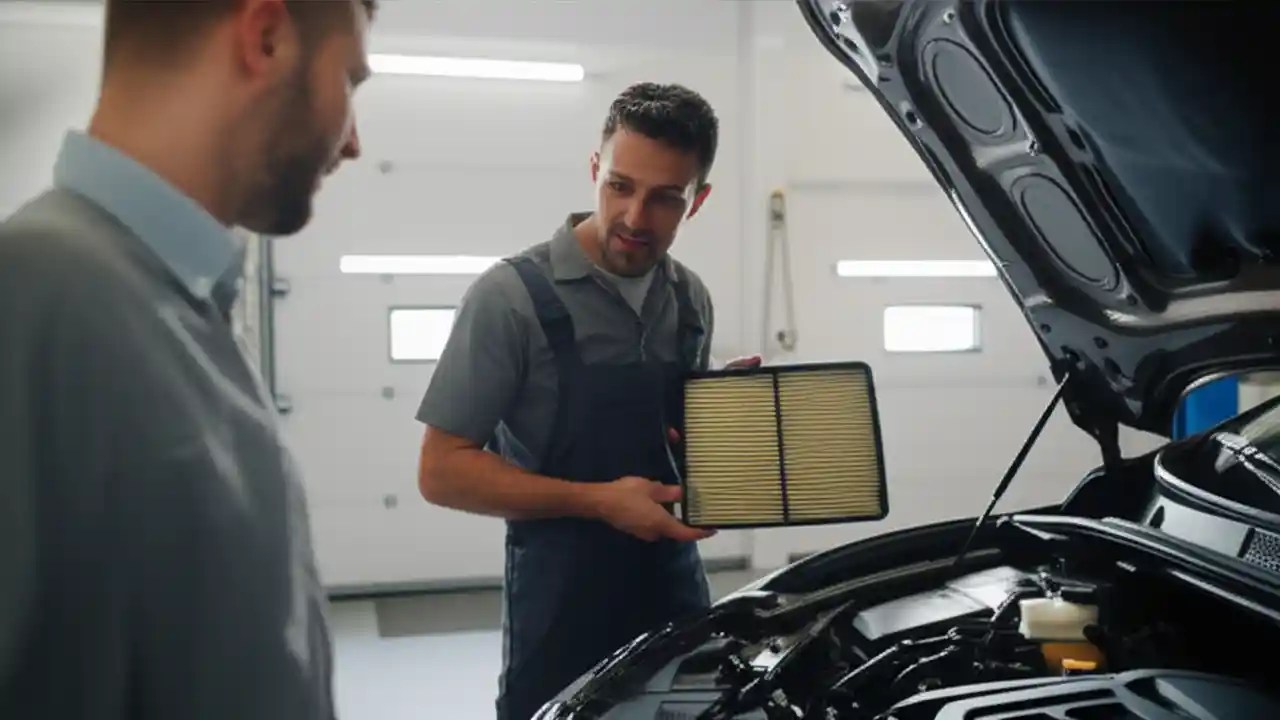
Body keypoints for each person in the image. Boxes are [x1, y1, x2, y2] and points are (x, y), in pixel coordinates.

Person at [0, 0, 376, 717]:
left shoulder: (174, 302)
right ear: (265, 37)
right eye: (349, 81)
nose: (353, 140)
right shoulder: (33, 302)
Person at [415, 81, 761, 720]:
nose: (635, 217)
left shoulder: (690, 299)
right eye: (620, 186)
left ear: (698, 200)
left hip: (675, 593)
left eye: (666, 198)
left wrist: (722, 413)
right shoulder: (510, 297)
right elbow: (441, 471)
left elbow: (671, 437)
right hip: (559, 610)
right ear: (595, 168)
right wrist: (599, 501)